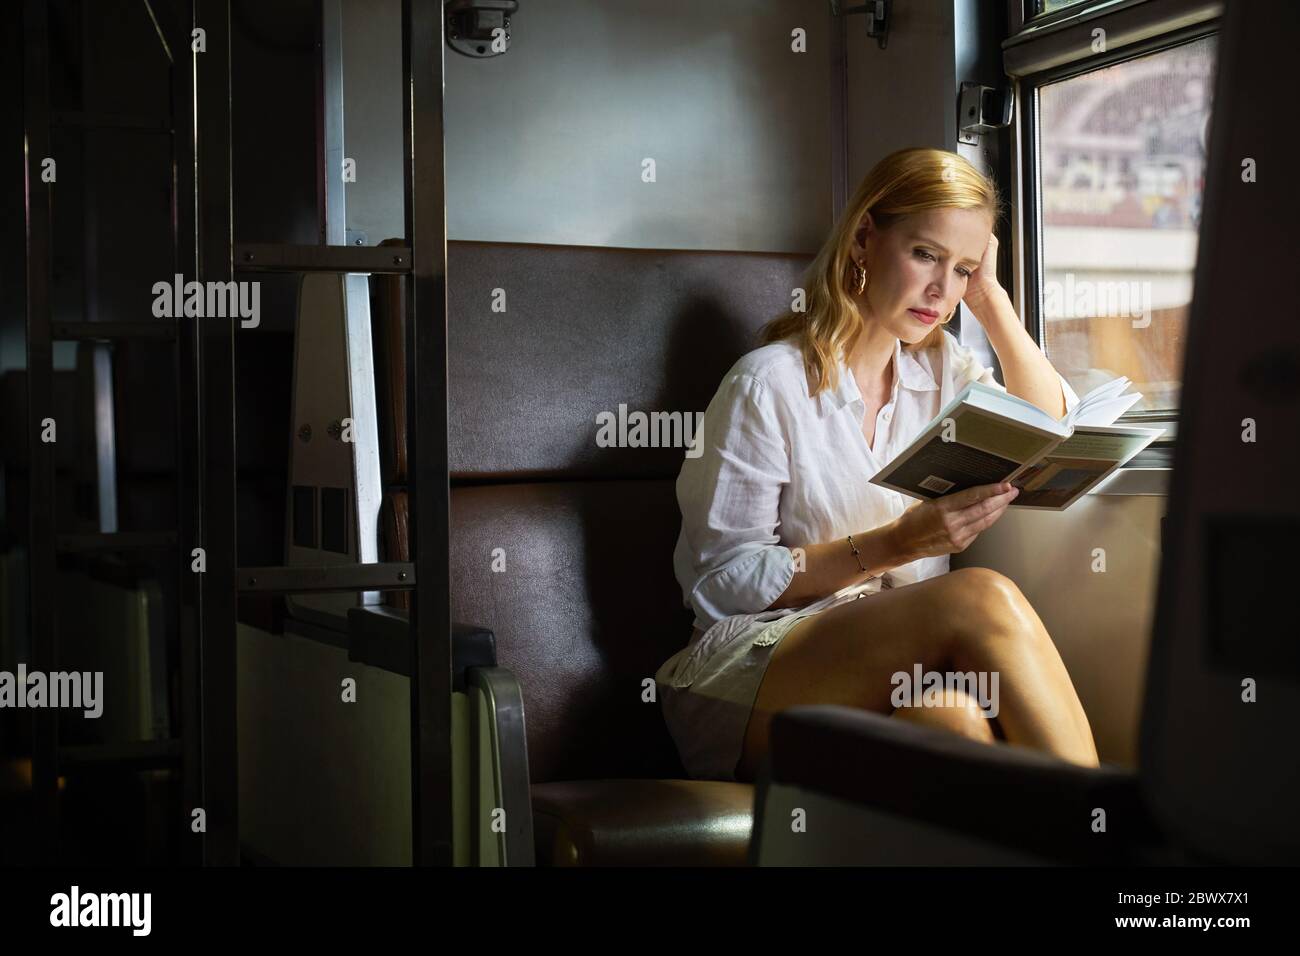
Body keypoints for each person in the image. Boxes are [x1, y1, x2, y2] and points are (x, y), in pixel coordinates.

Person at [655, 147, 1101, 783]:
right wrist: (897, 544)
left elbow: (1052, 426)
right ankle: (1114, 842)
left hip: (897, 668)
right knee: (981, 596)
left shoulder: (942, 373)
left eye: (963, 269)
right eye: (925, 255)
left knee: (952, 724)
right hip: (752, 672)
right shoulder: (768, 384)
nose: (941, 290)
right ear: (865, 237)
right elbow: (721, 585)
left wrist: (992, 299)